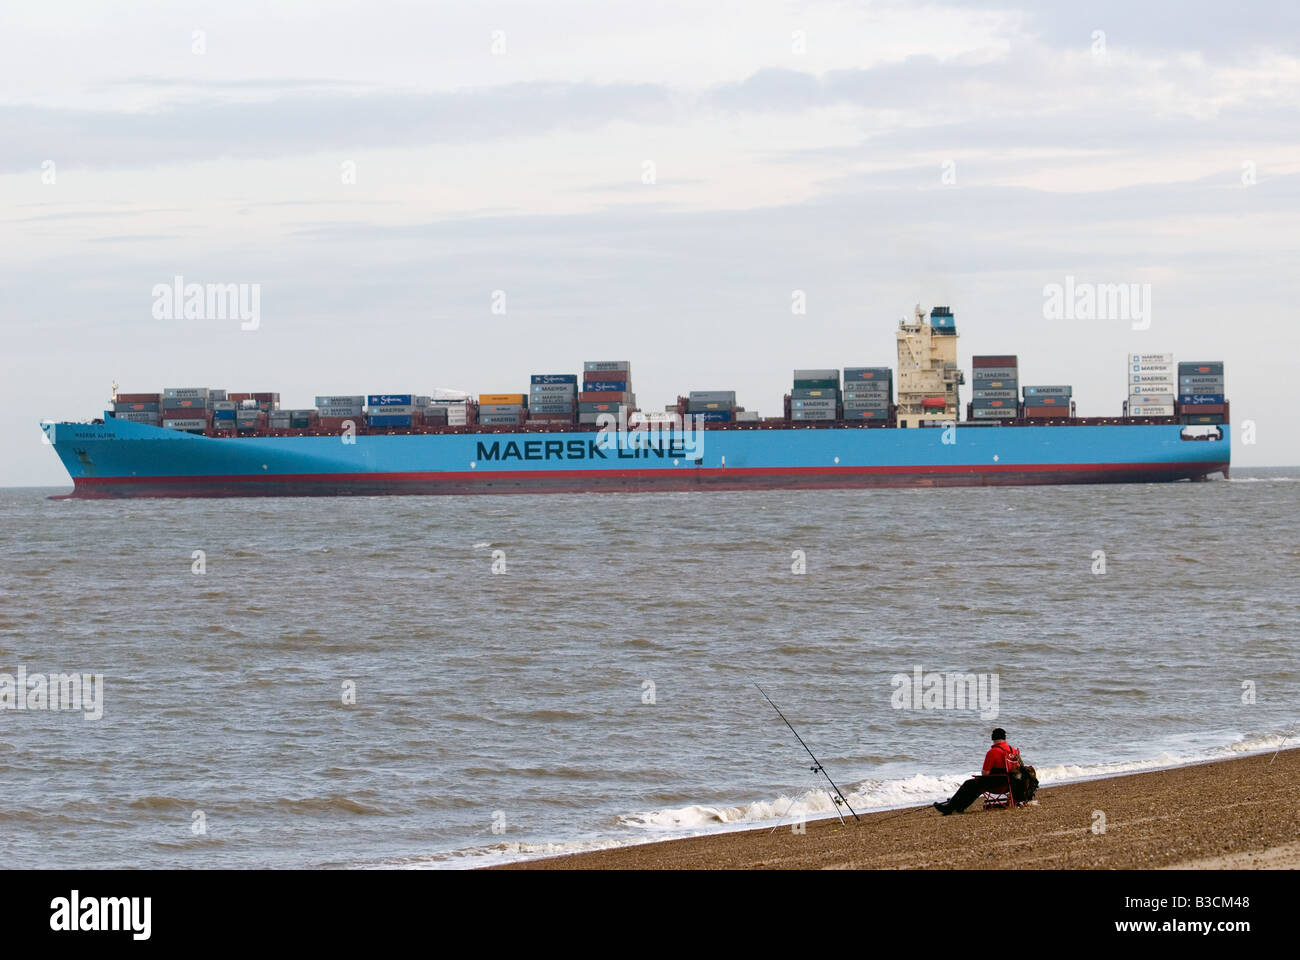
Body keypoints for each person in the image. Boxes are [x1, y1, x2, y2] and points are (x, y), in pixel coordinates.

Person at [933, 728, 1021, 815]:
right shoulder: (1013, 750)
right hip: (1010, 785)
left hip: (997, 786)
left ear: (993, 738)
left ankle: (950, 807)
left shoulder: (993, 752)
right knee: (976, 786)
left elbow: (985, 773)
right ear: (1004, 738)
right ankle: (959, 807)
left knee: (969, 784)